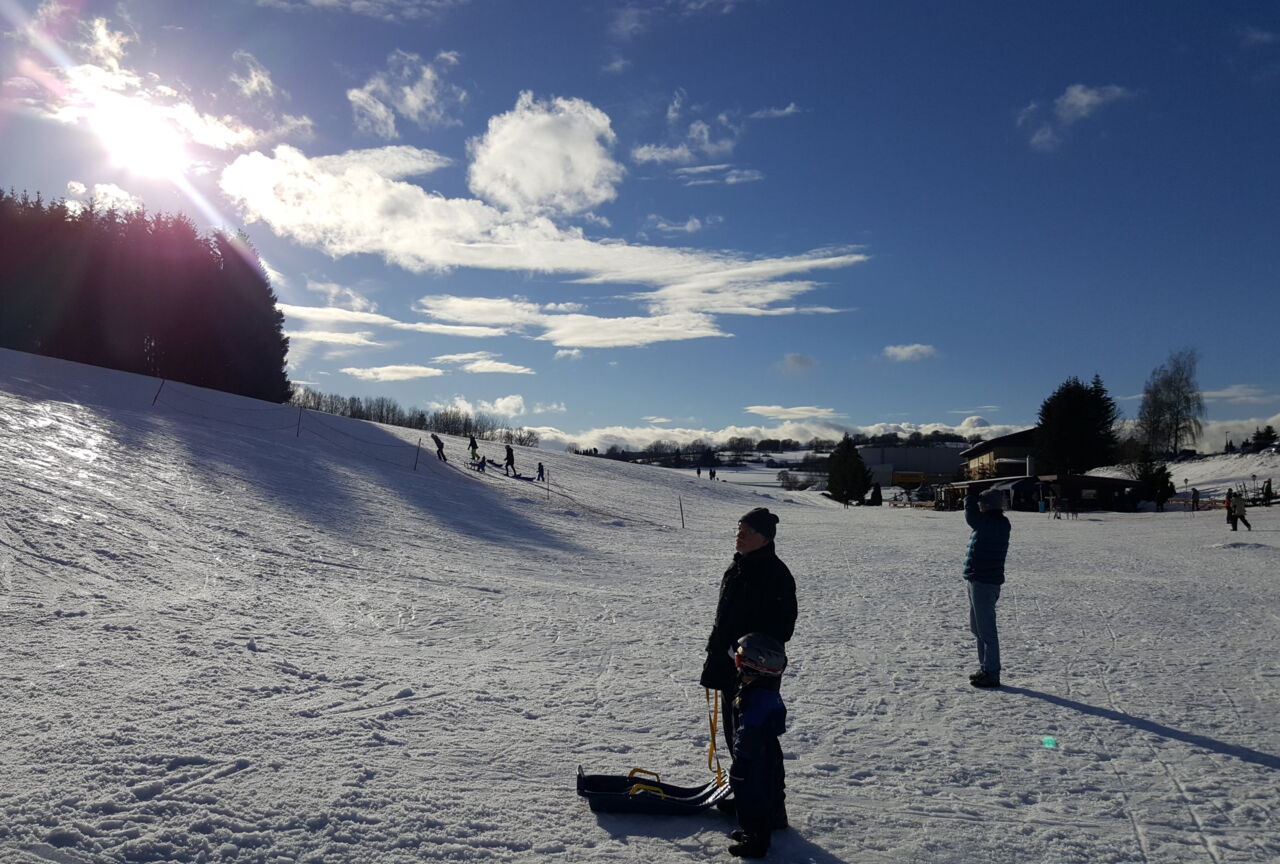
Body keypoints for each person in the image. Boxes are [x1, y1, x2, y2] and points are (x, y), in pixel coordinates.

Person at [701, 508, 796, 827]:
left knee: (759, 741)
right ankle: (748, 800)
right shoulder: (740, 565)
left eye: (746, 530)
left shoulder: (775, 573)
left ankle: (770, 811)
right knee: (736, 739)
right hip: (730, 666)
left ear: (765, 538)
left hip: (755, 673)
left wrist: (746, 650)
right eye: (739, 528)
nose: (739, 534)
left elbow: (782, 628)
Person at [725, 633, 788, 859]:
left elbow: (749, 732)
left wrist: (741, 762)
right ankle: (774, 821)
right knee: (769, 789)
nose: (737, 666)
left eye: (740, 662)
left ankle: (756, 840)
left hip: (754, 756)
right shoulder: (764, 691)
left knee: (751, 796)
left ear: (755, 667)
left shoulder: (757, 698)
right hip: (767, 751)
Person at [963, 488, 1010, 688]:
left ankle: (992, 672)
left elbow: (971, 517)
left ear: (988, 506)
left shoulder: (991, 523)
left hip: (984, 582)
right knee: (977, 628)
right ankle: (985, 668)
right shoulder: (994, 522)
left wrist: (969, 499)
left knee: (986, 630)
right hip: (978, 580)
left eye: (982, 502)